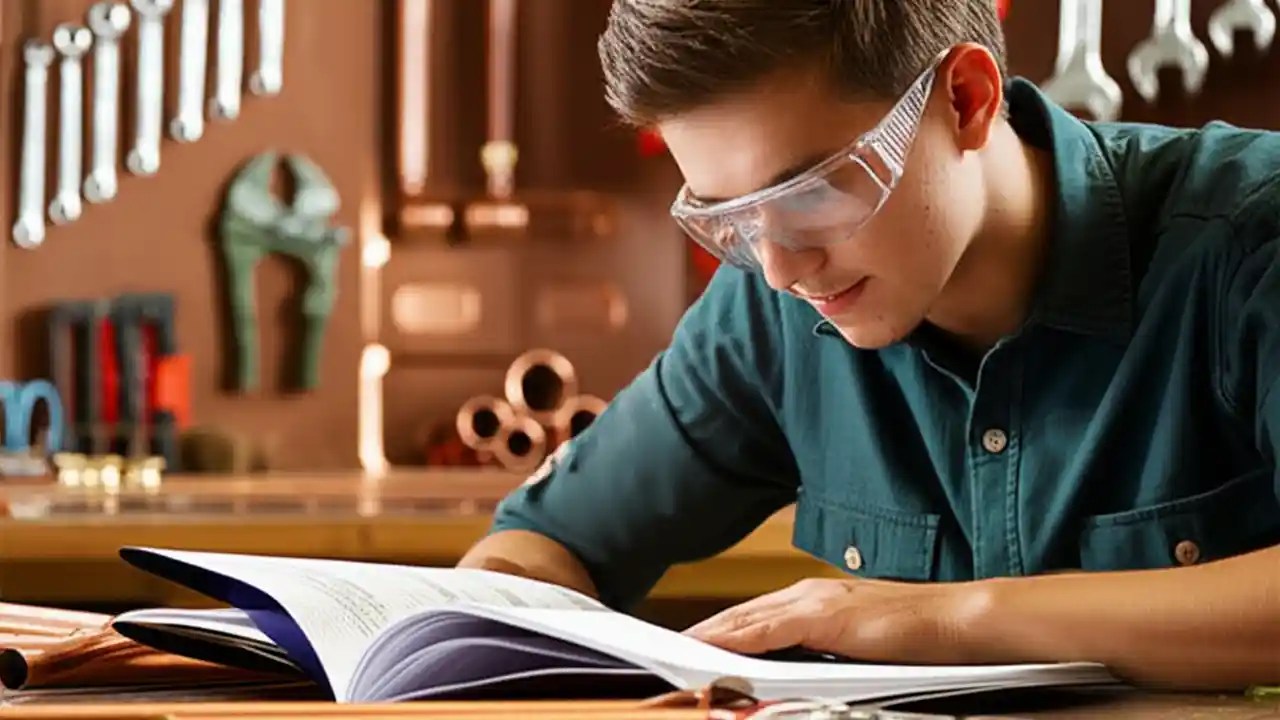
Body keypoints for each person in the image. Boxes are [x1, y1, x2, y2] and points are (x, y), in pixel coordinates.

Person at [458, 0, 1280, 691]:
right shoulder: (766, 312)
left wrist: (955, 620)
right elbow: (540, 546)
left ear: (965, 98)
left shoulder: (1252, 242)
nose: (779, 269)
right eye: (727, 219)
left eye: (811, 192)